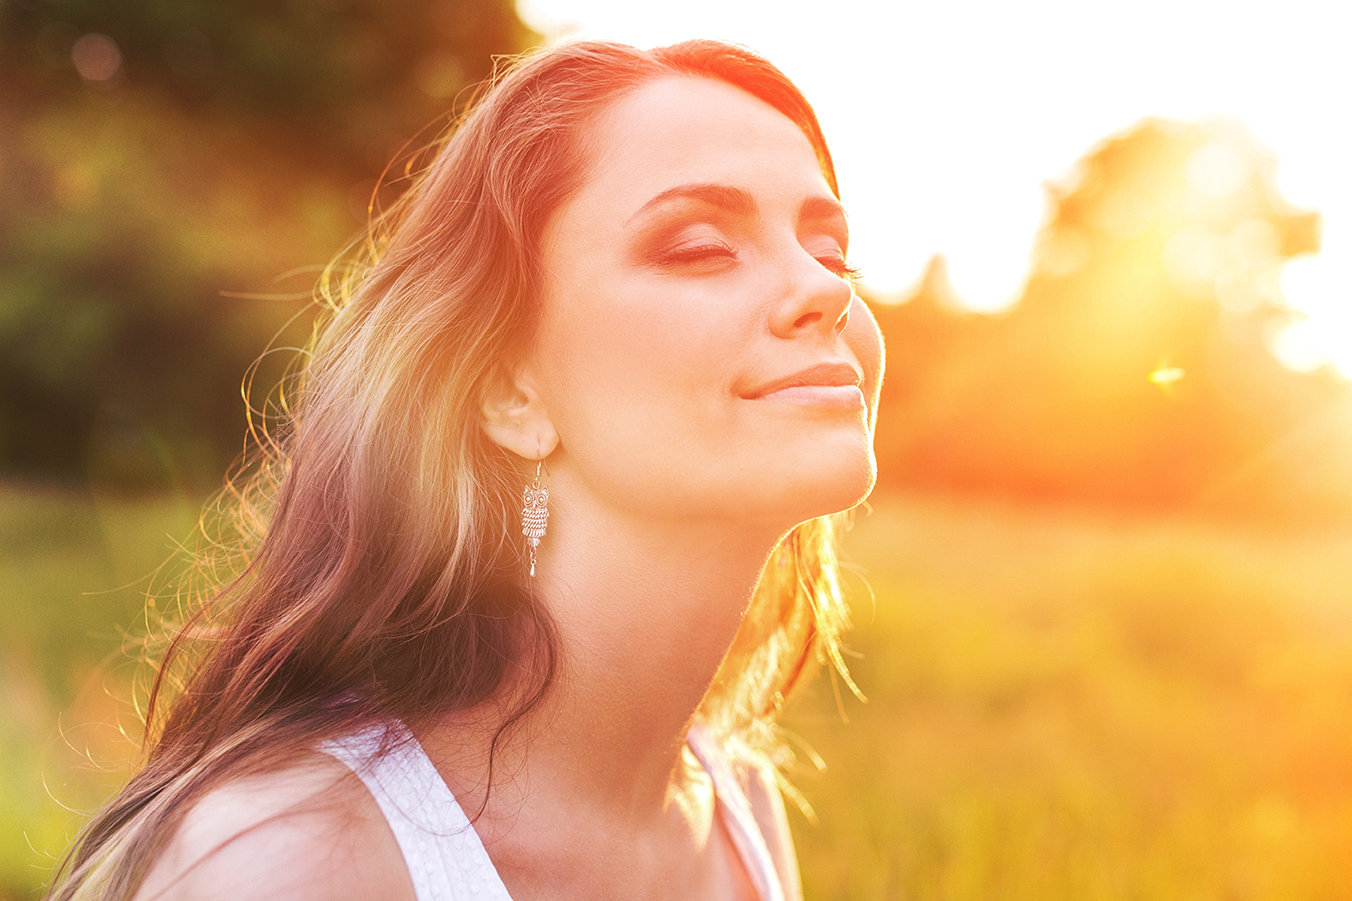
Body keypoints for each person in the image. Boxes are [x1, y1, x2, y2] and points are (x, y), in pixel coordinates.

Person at [47, 38, 884, 901]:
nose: (827, 290)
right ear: (508, 391)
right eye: (701, 246)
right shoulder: (287, 860)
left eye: (831, 252)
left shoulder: (740, 808)